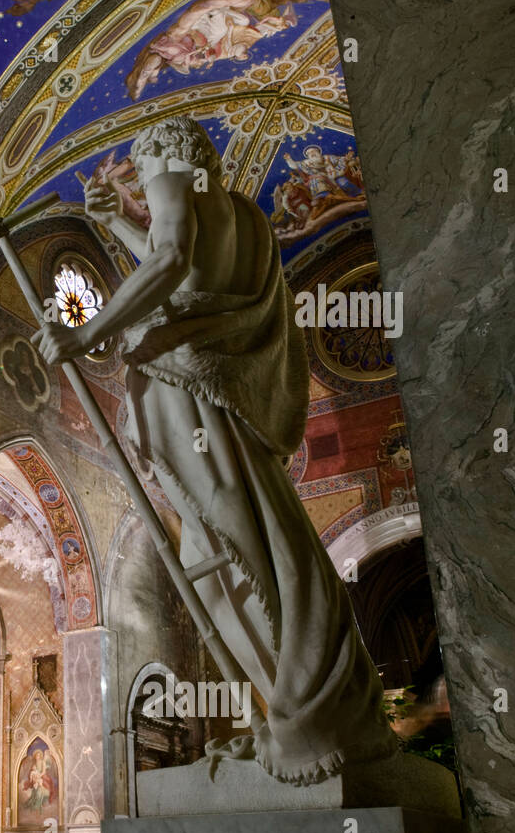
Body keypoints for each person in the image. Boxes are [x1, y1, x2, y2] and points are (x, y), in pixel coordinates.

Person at [34, 117, 396, 784]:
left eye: (145, 178)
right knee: (248, 538)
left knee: (226, 549)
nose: (148, 189)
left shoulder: (173, 177)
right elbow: (179, 259)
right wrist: (117, 226)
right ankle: (307, 701)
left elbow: (169, 263)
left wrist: (87, 336)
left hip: (186, 384)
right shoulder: (246, 219)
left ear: (167, 160)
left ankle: (302, 709)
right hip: (219, 395)